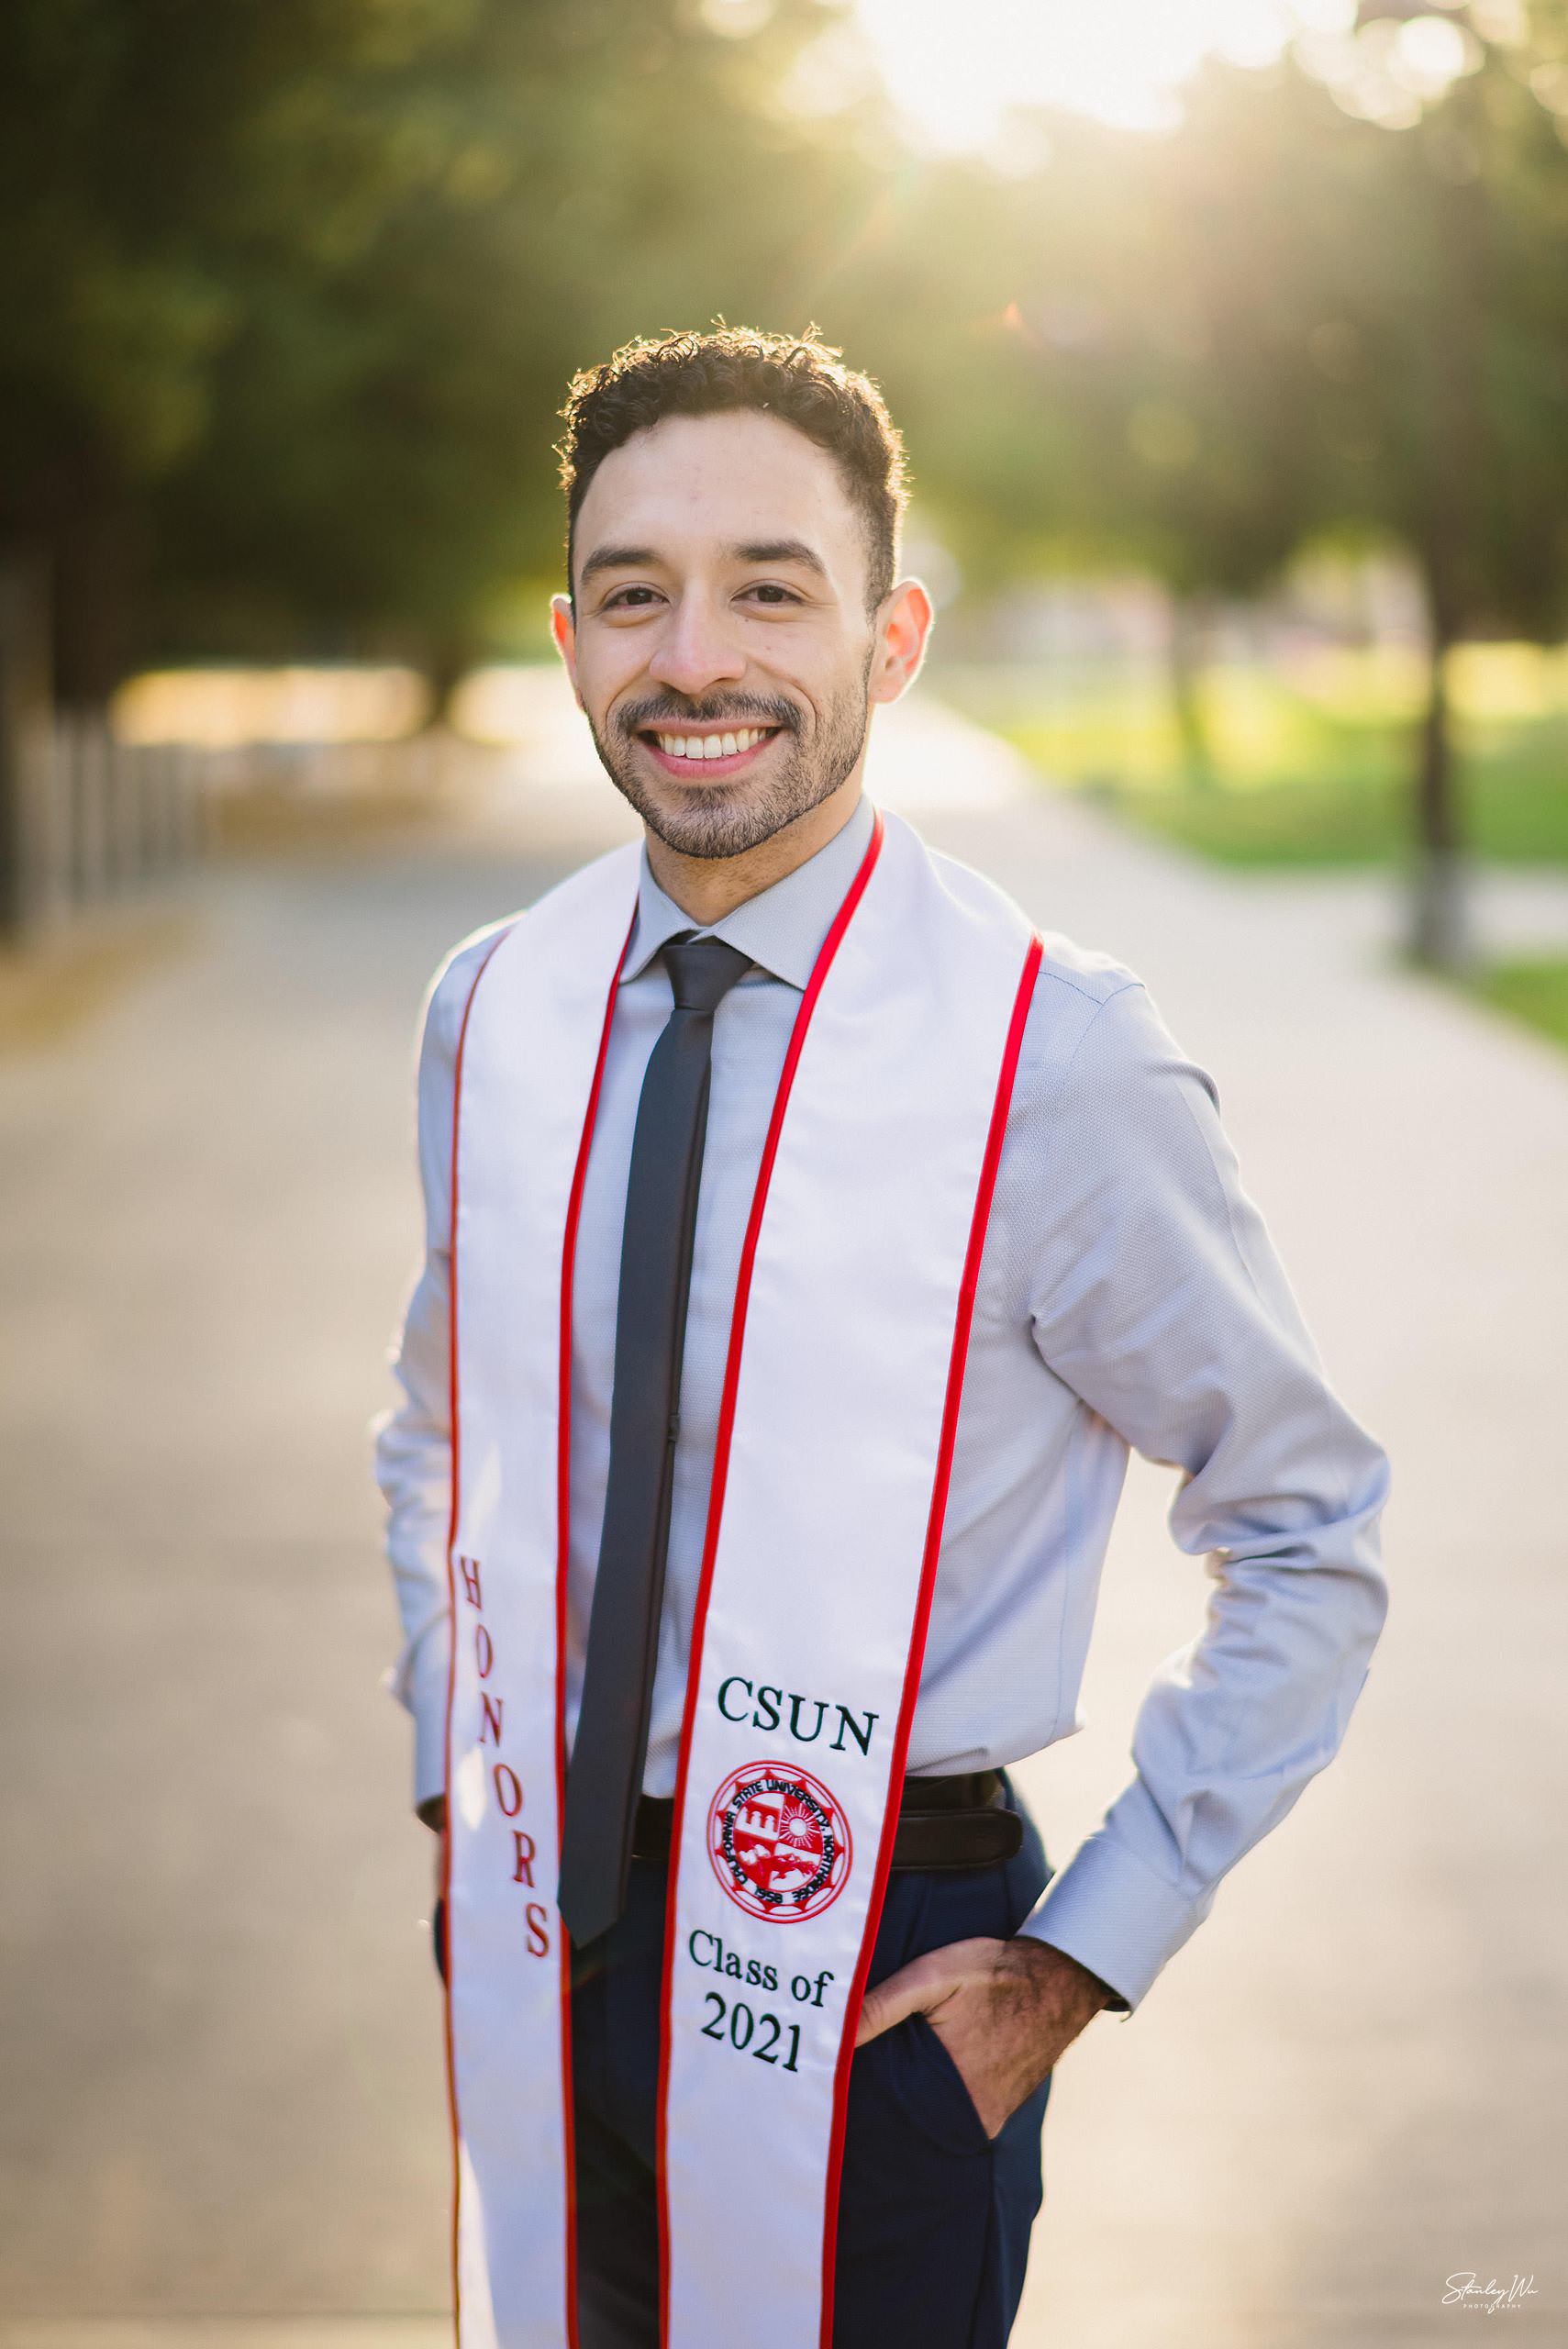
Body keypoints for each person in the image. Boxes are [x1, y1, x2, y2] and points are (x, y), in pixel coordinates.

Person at [373, 326, 1390, 2349]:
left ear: (892, 638)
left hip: (878, 1982)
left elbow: (1305, 1528)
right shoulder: (495, 1006)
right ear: (569, 641)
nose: (694, 660)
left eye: (771, 589)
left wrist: (1077, 1958)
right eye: (634, 596)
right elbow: (435, 1428)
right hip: (536, 1931)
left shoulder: (1054, 1057)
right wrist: (449, 1773)